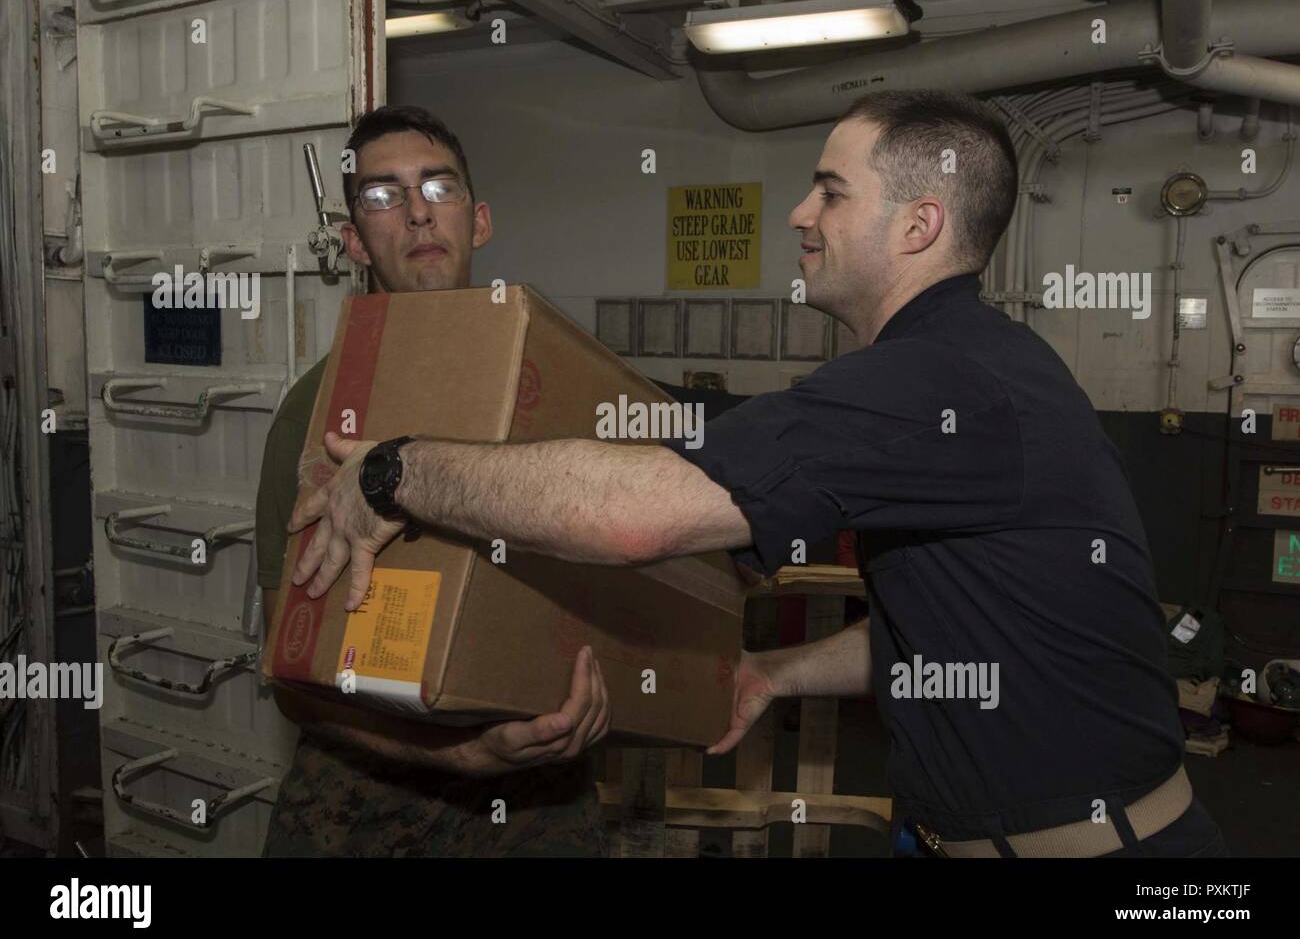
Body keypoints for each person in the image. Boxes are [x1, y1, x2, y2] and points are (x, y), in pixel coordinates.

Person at [289, 89, 1225, 858]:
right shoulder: (981, 362)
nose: (799, 214)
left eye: (830, 192)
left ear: (918, 224)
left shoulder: (926, 380)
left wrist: (391, 470)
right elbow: (950, 632)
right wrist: (773, 672)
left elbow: (631, 518)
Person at [256, 105, 611, 857]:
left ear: (477, 220)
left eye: (437, 188)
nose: (417, 212)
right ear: (354, 240)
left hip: (541, 796)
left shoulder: (554, 383)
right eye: (382, 197)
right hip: (366, 803)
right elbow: (290, 675)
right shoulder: (317, 412)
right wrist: (456, 756)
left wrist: (600, 691)